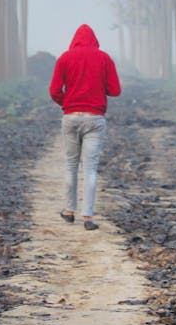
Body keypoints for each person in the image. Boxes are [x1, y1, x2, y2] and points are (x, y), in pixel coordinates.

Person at [48, 24, 122, 231]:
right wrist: (98, 88)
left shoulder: (64, 58)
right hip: (95, 119)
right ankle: (88, 217)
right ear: (94, 40)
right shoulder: (104, 59)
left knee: (71, 164)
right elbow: (115, 90)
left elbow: (54, 90)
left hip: (71, 117)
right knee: (90, 168)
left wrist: (67, 103)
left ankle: (69, 211)